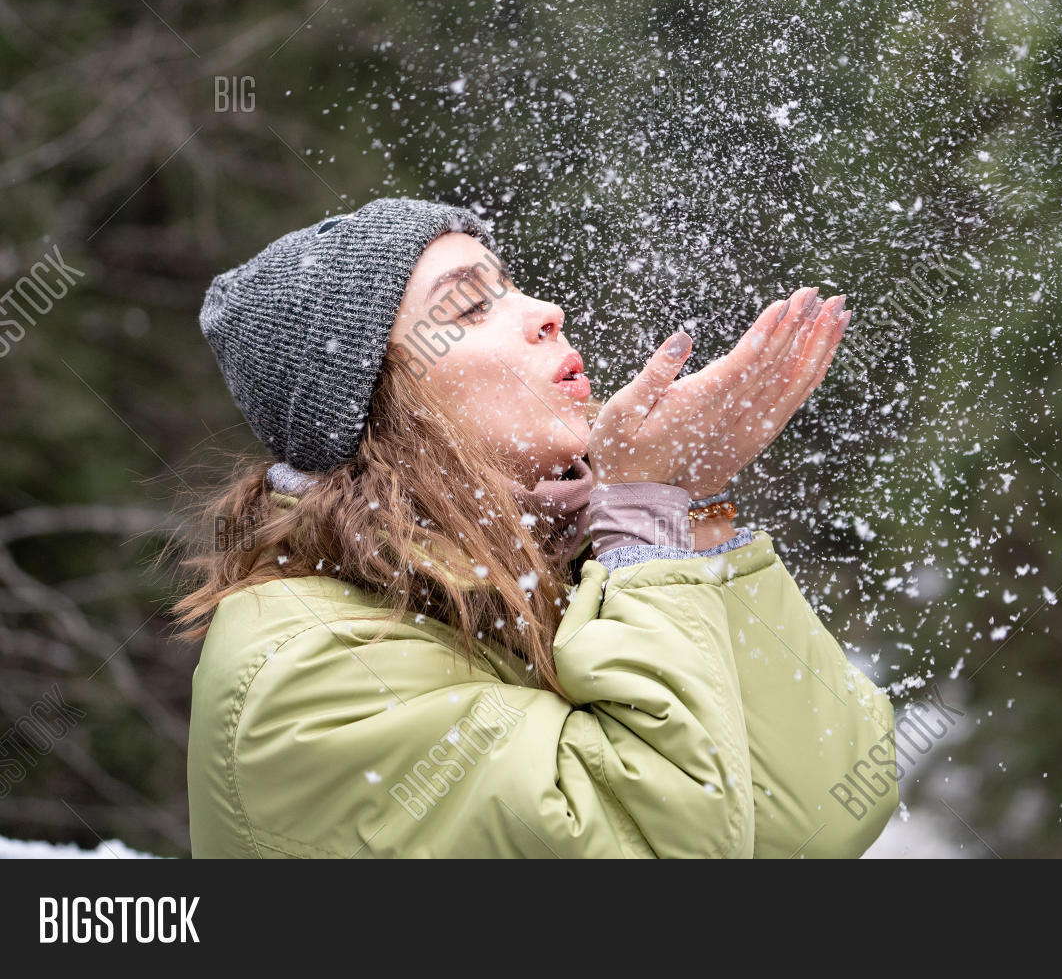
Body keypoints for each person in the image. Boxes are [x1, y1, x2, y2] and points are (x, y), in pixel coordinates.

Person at [174, 197, 898, 857]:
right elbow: (673, 846)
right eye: (467, 307)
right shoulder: (308, 671)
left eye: (513, 285)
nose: (547, 309)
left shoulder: (570, 561)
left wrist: (687, 512)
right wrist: (645, 517)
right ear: (372, 406)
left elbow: (817, 820)